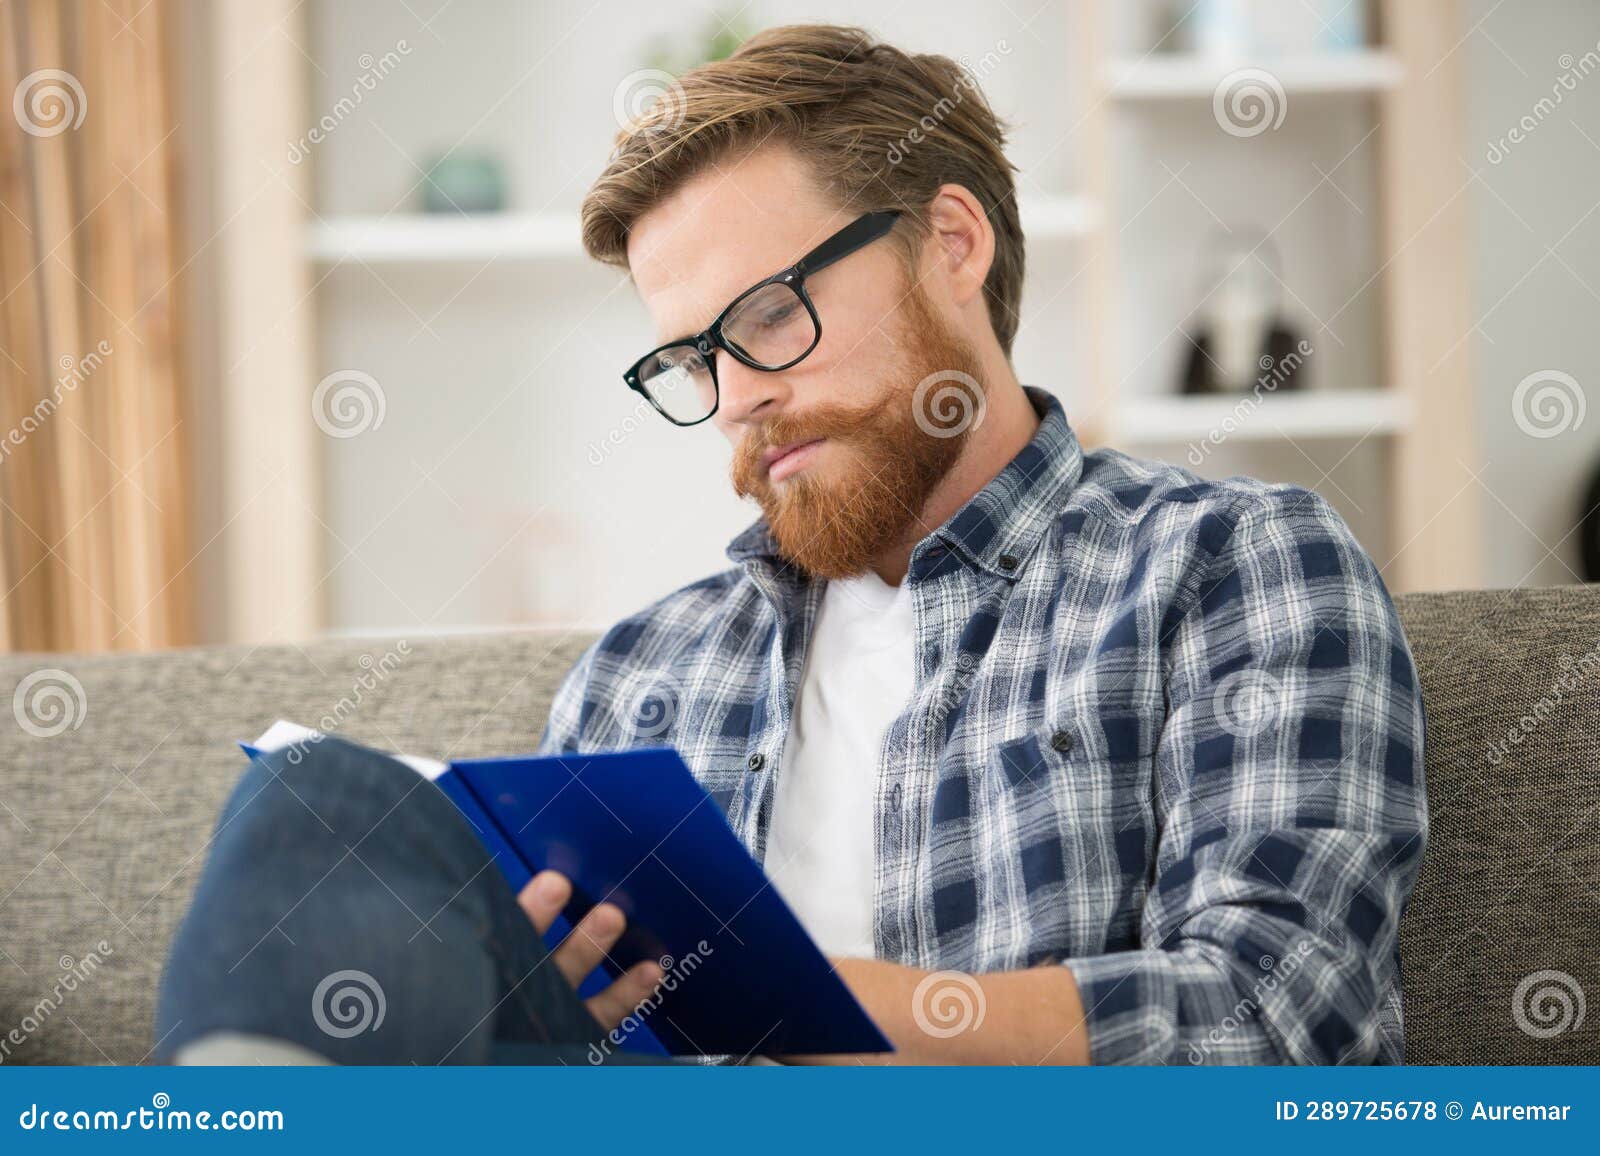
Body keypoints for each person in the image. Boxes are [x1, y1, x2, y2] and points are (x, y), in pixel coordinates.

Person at [157, 23, 1426, 1066]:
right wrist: (554, 1013)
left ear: (951, 245)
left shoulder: (1231, 566)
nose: (738, 394)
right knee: (318, 797)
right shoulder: (640, 669)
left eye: (769, 315)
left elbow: (1279, 1020)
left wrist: (808, 1005)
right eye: (692, 358)